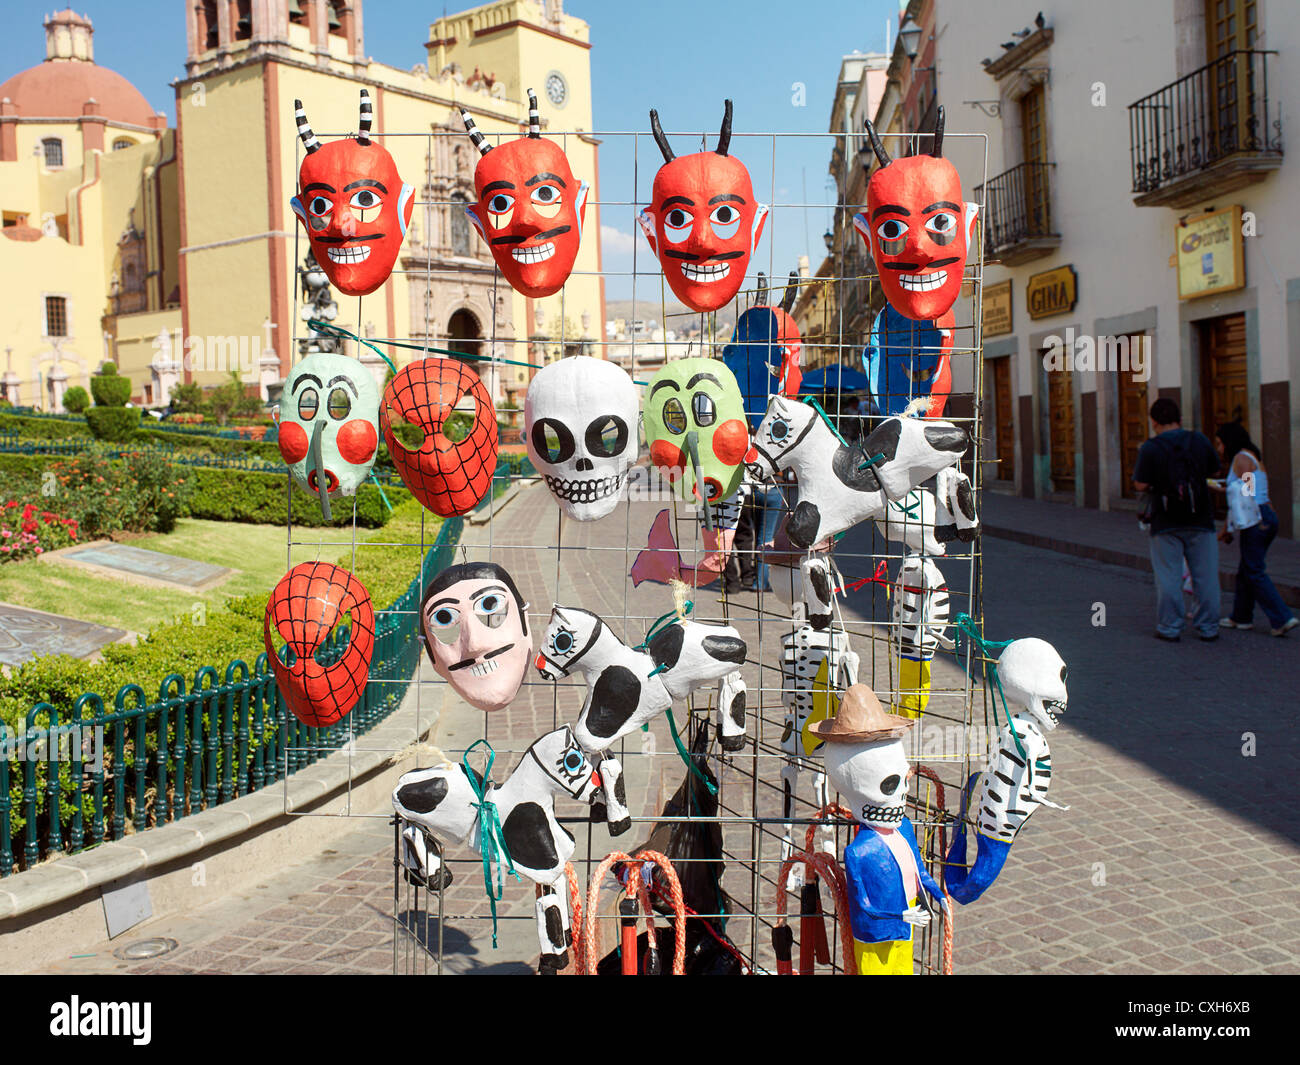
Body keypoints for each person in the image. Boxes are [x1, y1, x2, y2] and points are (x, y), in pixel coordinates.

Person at [1132, 397, 1221, 641]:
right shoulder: (1198, 440)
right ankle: (1208, 627)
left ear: (1153, 422)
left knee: (1168, 576)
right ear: (1180, 419)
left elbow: (1140, 483)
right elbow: (1215, 469)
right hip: (1201, 518)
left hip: (1165, 521)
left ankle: (1170, 627)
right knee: (1206, 577)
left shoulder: (1150, 448)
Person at [1211, 419, 1298, 636]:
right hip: (1266, 516)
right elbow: (1253, 489)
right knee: (1246, 570)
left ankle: (1282, 618)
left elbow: (1245, 495)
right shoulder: (1254, 457)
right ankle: (1241, 617)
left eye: (1220, 444)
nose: (1219, 449)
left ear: (1229, 442)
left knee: (1254, 571)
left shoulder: (1241, 459)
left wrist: (1226, 527)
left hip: (1256, 519)